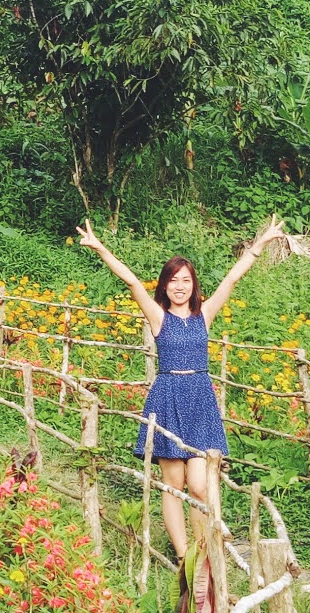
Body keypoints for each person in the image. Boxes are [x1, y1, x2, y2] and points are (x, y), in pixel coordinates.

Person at [76, 215, 286, 575]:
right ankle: (183, 553)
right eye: (173, 280)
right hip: (169, 395)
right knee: (173, 485)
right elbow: (129, 280)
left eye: (186, 281)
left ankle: (205, 549)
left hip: (200, 398)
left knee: (201, 485)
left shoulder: (204, 315)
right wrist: (100, 249)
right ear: (165, 285)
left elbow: (232, 279)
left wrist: (260, 245)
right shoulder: (159, 317)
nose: (180, 286)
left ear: (193, 285)